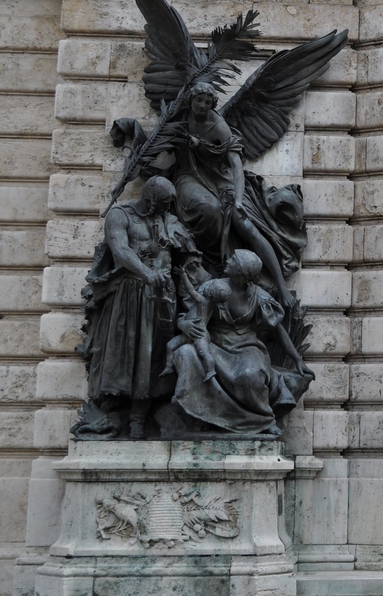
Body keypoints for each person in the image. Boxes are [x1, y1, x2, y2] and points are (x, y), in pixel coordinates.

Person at [76, 176, 193, 439]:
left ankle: (140, 418)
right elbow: (120, 251)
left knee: (153, 358)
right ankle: (120, 414)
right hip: (129, 295)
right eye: (163, 203)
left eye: (169, 204)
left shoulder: (168, 221)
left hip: (163, 299)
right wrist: (147, 273)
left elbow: (187, 258)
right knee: (126, 356)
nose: (166, 208)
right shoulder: (120, 215)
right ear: (150, 199)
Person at [171, 83, 305, 308]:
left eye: (207, 101)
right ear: (190, 100)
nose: (202, 105)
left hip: (224, 180)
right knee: (208, 208)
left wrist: (239, 199)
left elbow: (235, 166)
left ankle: (281, 286)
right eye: (198, 100)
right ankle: (208, 264)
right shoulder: (178, 117)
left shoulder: (218, 126)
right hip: (189, 176)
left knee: (247, 226)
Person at [165, 249, 313, 435]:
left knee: (250, 375)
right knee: (185, 353)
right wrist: (183, 323)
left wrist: (297, 359)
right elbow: (195, 316)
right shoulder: (213, 287)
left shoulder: (259, 297)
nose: (228, 260)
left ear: (242, 275)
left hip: (246, 347)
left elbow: (277, 330)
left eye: (233, 260)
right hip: (214, 344)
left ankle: (264, 419)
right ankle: (203, 415)